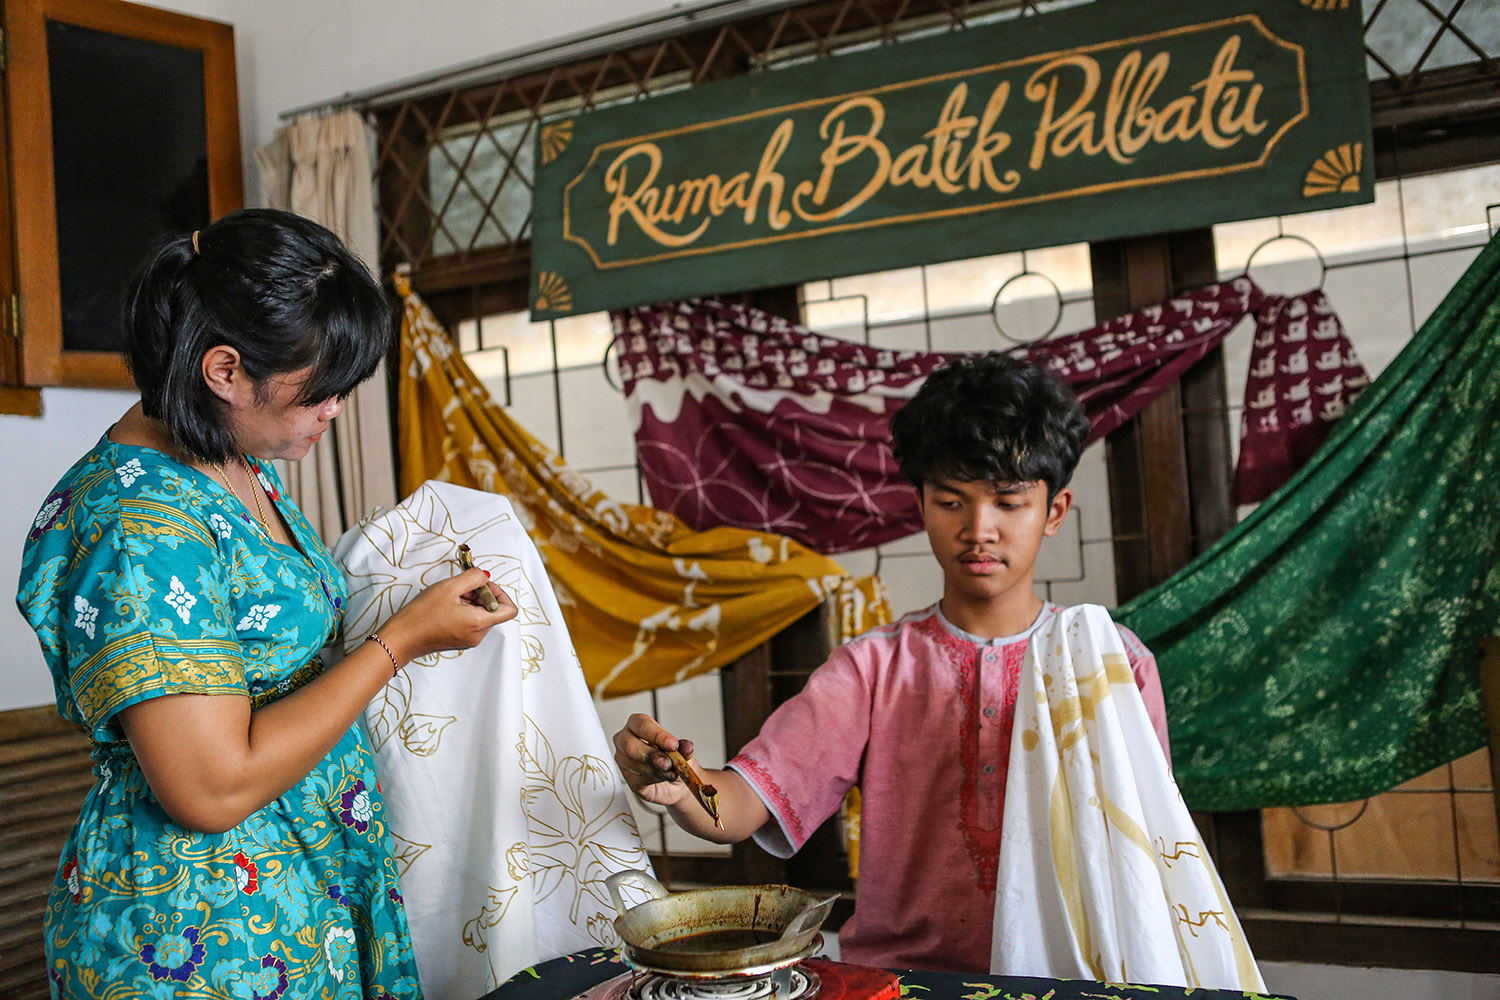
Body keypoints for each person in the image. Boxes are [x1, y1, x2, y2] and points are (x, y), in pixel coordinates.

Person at [17, 209, 517, 998]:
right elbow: (210, 787)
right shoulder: (136, 526)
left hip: (298, 880)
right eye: (320, 391)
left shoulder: (232, 456)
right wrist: (399, 643)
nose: (334, 411)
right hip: (200, 928)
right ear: (225, 372)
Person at [612, 354, 1170, 973]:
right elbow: (739, 807)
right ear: (921, 505)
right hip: (901, 982)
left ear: (1055, 511)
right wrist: (680, 784)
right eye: (951, 501)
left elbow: (1151, 847)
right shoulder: (871, 670)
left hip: (1075, 979)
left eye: (1009, 503)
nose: (979, 529)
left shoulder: (1112, 663)